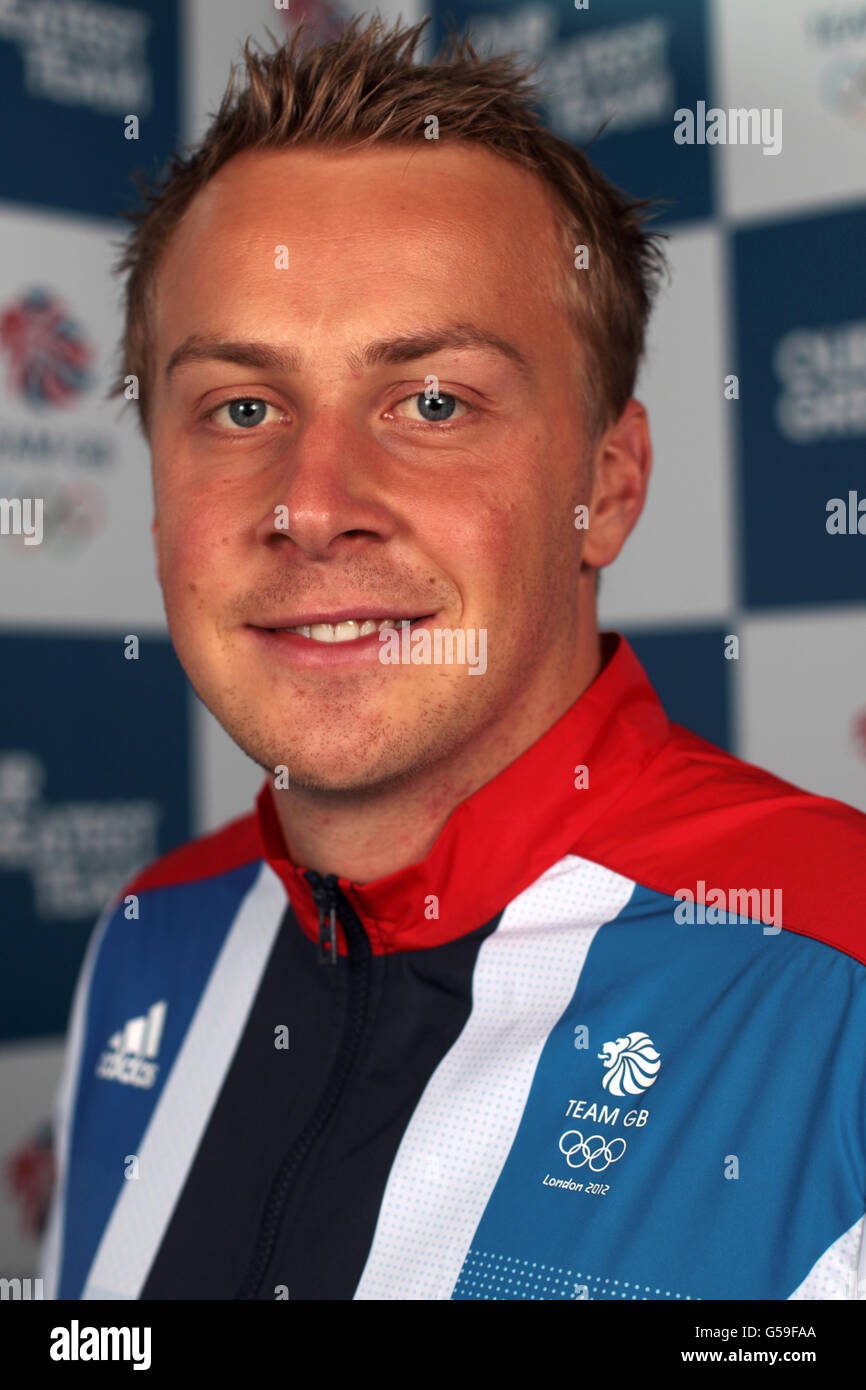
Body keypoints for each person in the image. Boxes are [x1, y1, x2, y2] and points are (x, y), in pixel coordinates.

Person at [40, 15, 866, 1302]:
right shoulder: (153, 939)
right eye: (241, 407)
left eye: (431, 401)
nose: (310, 503)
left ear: (608, 479)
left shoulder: (839, 971)